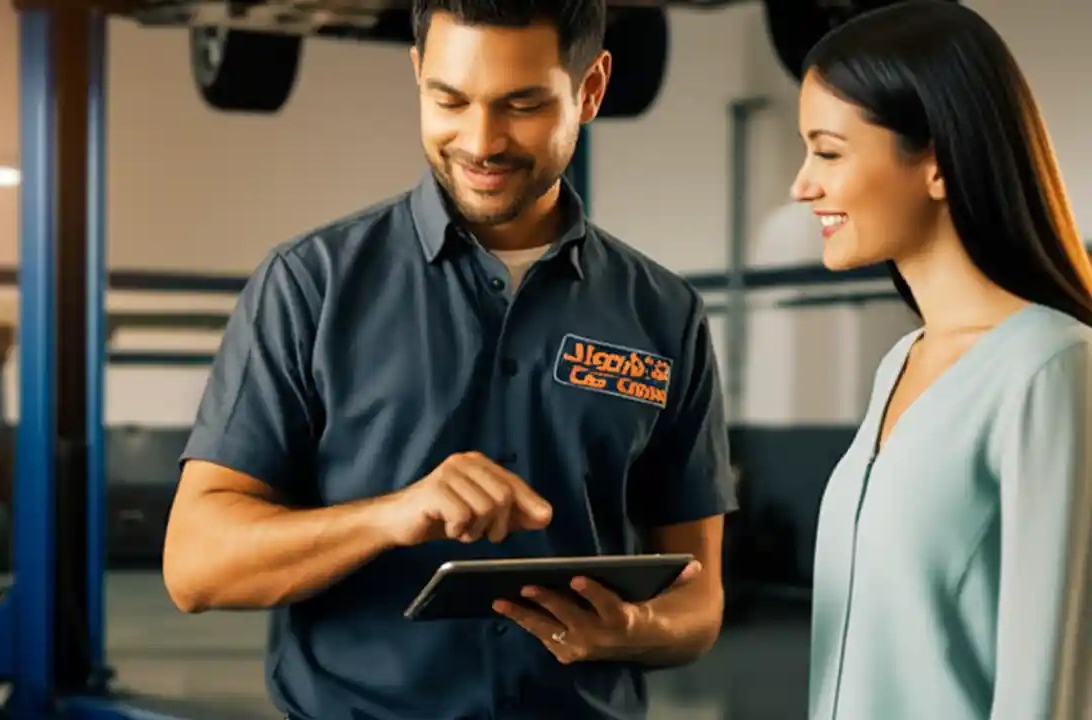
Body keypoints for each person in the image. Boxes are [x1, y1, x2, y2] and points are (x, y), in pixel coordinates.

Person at [162, 0, 738, 718]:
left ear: (589, 90)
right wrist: (388, 517)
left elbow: (700, 600)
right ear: (417, 75)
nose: (481, 140)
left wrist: (635, 629)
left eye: (522, 105)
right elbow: (195, 567)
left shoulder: (663, 313)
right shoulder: (311, 286)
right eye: (450, 100)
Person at [790, 2, 1092, 719]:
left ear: (937, 163)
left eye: (828, 152)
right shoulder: (901, 361)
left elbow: (1047, 686)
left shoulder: (1051, 368)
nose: (802, 184)